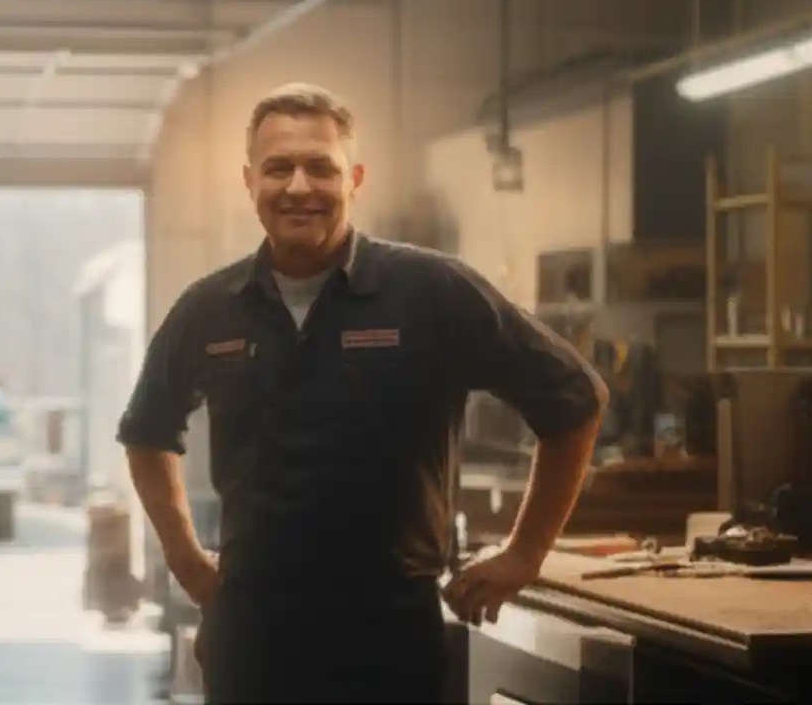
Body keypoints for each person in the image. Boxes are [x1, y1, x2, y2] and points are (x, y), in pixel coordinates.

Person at [118, 82, 607, 704]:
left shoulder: (433, 291)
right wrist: (187, 560)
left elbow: (574, 399)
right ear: (249, 181)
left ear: (355, 178)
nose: (299, 187)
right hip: (252, 638)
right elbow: (145, 433)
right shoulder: (210, 309)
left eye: (320, 167)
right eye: (278, 168)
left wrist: (525, 552)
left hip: (390, 638)